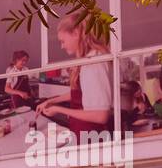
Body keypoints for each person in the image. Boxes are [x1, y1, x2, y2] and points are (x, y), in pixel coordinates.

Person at [35, 10, 113, 138]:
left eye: (63, 41)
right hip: (83, 132)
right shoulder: (89, 59)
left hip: (90, 135)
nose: (62, 46)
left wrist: (59, 109)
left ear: (76, 33)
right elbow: (80, 93)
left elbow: (101, 116)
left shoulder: (93, 63)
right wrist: (51, 101)